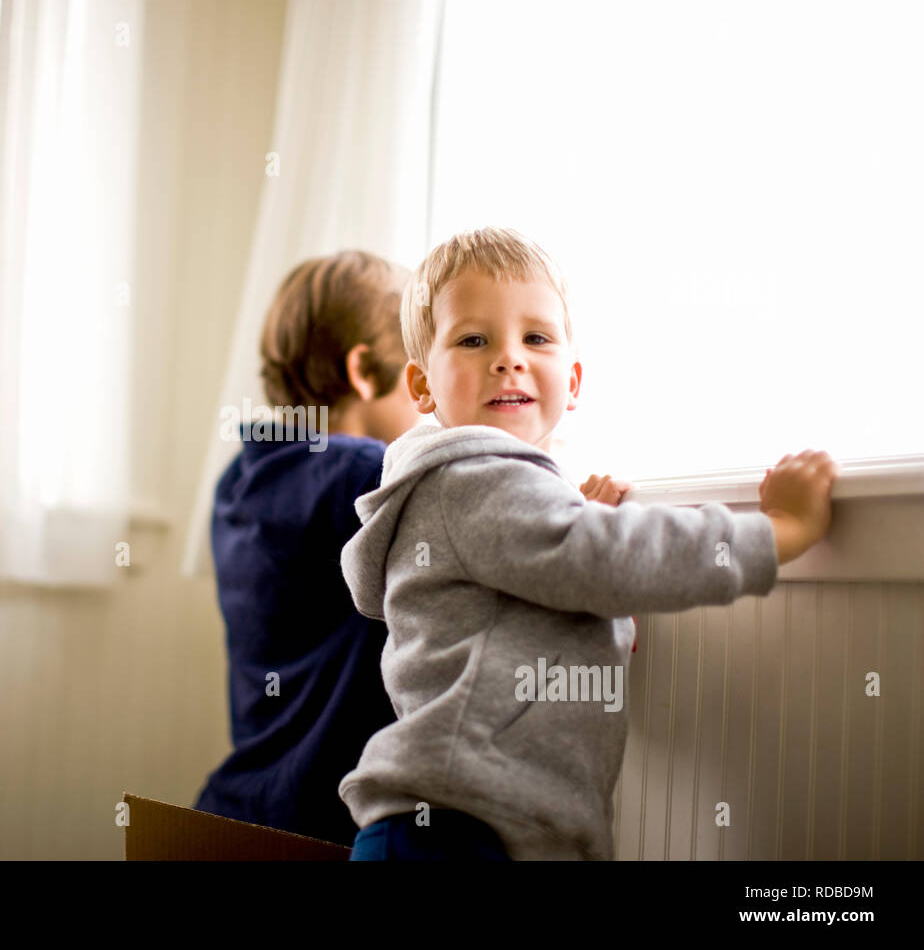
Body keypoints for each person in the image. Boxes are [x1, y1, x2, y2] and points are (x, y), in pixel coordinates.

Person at [339, 226, 838, 860]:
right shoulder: (467, 479)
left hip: (477, 826)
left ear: (573, 380)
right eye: (473, 340)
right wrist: (779, 532)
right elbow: (602, 558)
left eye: (536, 338)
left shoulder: (477, 495)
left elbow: (556, 584)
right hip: (457, 831)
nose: (509, 358)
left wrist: (573, 524)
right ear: (421, 386)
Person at [193, 250, 418, 846]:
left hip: (239, 809)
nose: (428, 403)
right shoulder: (365, 475)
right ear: (364, 370)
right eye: (417, 375)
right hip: (325, 821)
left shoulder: (237, 480)